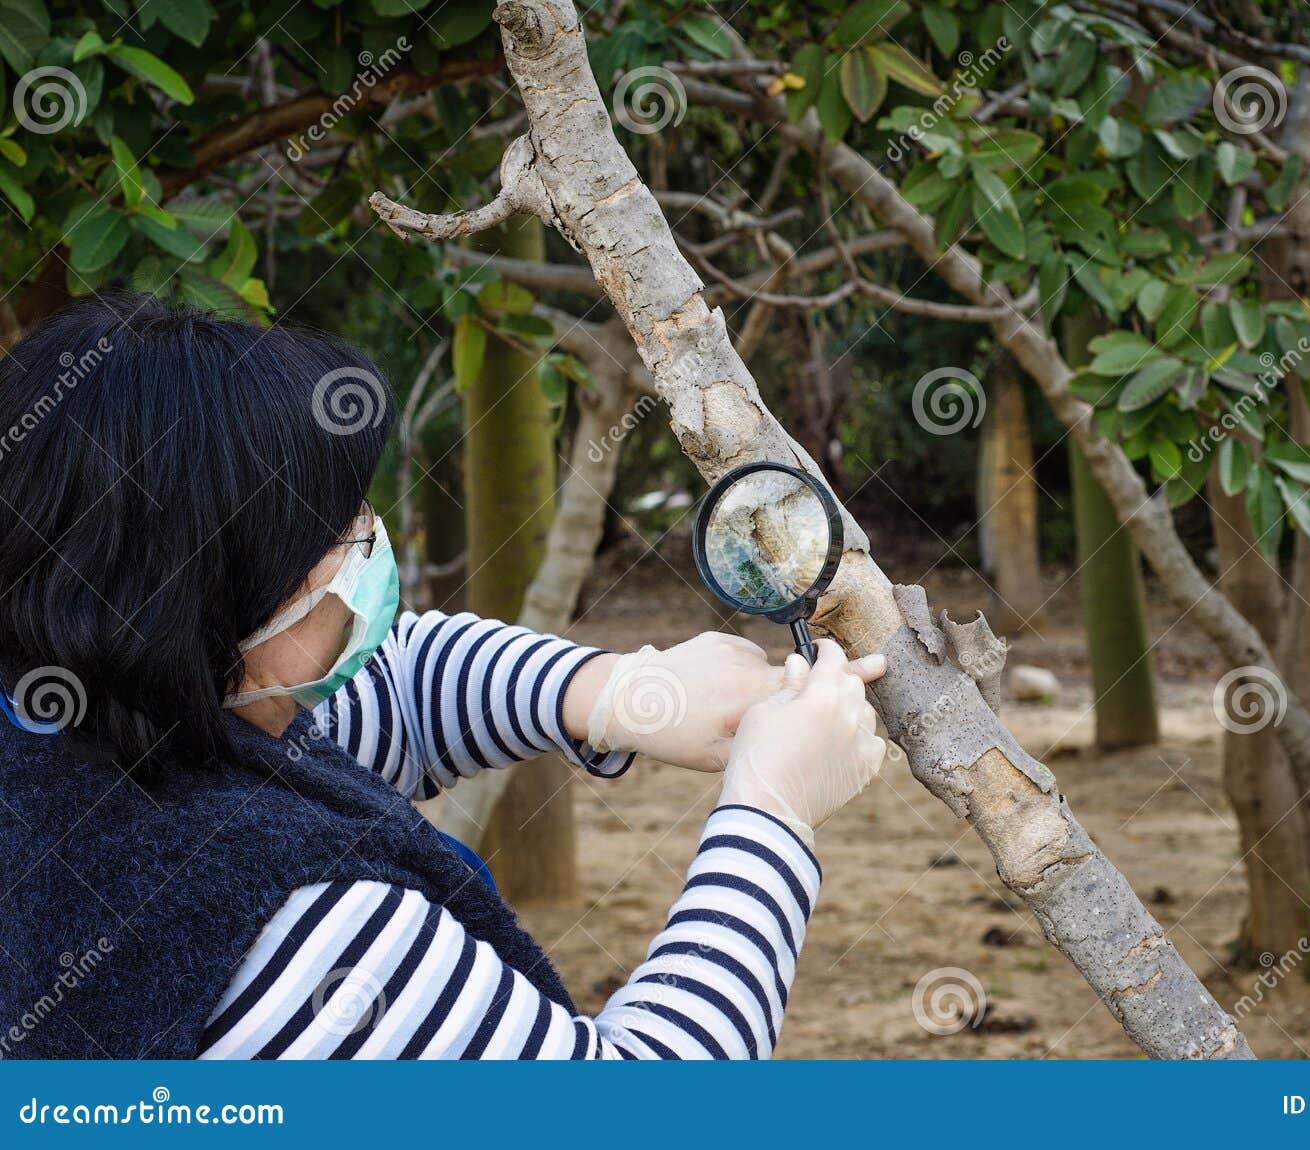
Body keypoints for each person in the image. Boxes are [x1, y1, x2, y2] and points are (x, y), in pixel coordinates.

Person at [0, 296, 887, 1060]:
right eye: (339, 535)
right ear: (221, 597)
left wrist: (612, 693)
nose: (367, 543)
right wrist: (769, 813)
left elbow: (401, 688)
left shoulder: (89, 724)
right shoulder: (300, 939)